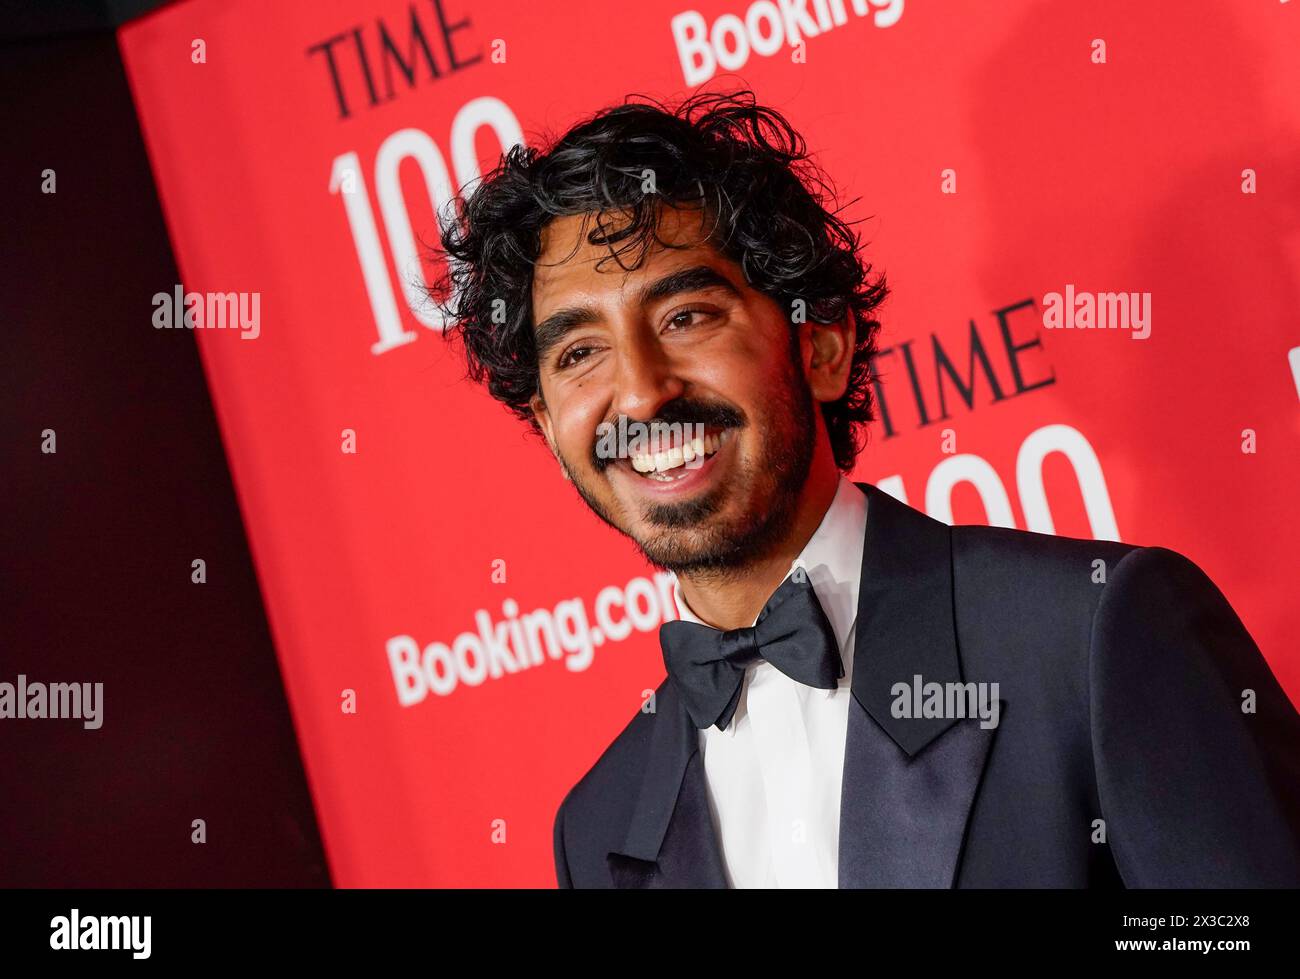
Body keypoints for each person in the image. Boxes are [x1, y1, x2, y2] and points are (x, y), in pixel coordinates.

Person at [431, 90, 1300, 888]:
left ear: (823, 345)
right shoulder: (599, 826)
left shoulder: (1093, 636)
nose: (642, 391)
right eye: (580, 352)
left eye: (686, 316)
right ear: (549, 429)